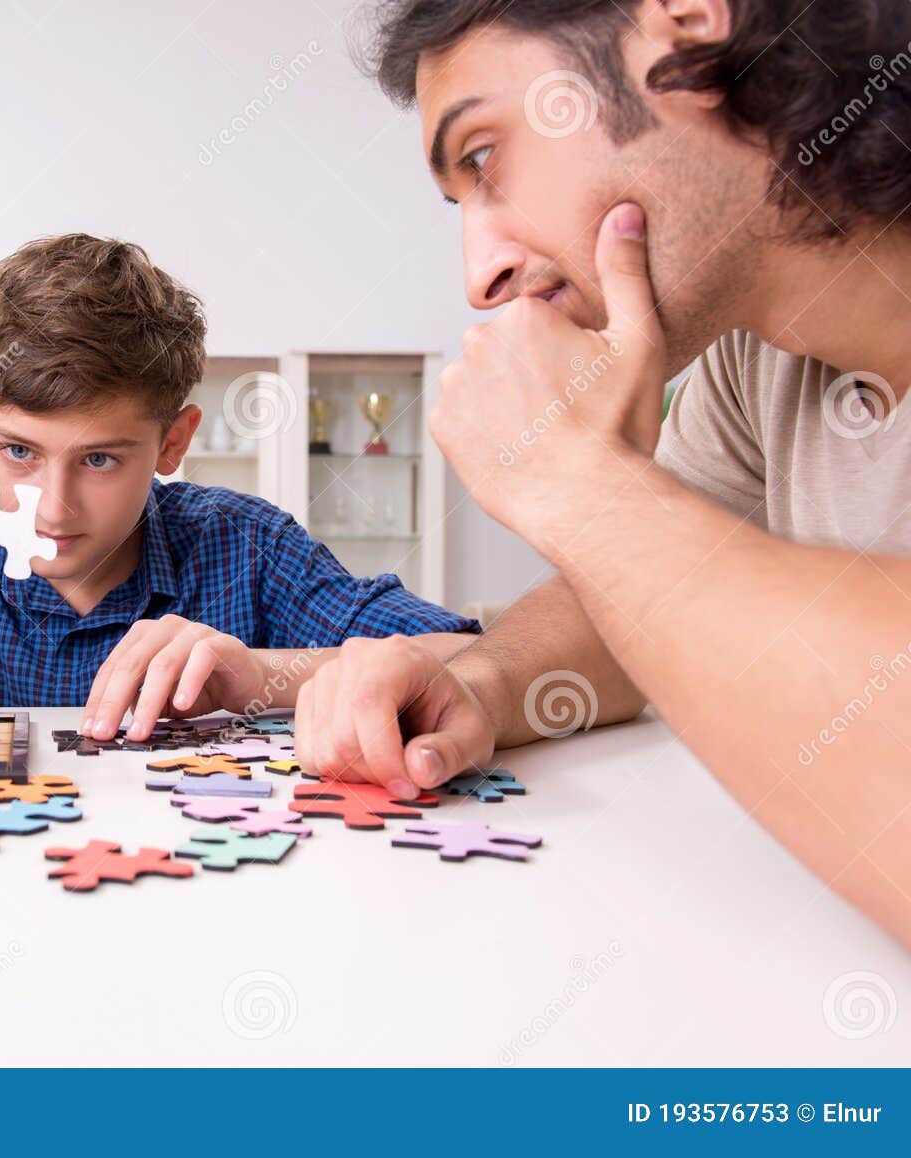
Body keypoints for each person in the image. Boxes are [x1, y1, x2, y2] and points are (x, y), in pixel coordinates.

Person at [297, 0, 911, 946]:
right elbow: (640, 603)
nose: (482, 275)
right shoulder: (754, 363)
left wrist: (578, 486)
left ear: (691, 22)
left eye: (486, 156)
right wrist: (485, 689)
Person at [0, 233, 477, 732]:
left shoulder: (246, 545)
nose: (54, 508)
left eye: (100, 459)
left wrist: (259, 676)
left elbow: (467, 657)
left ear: (173, 443)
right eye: (19, 453)